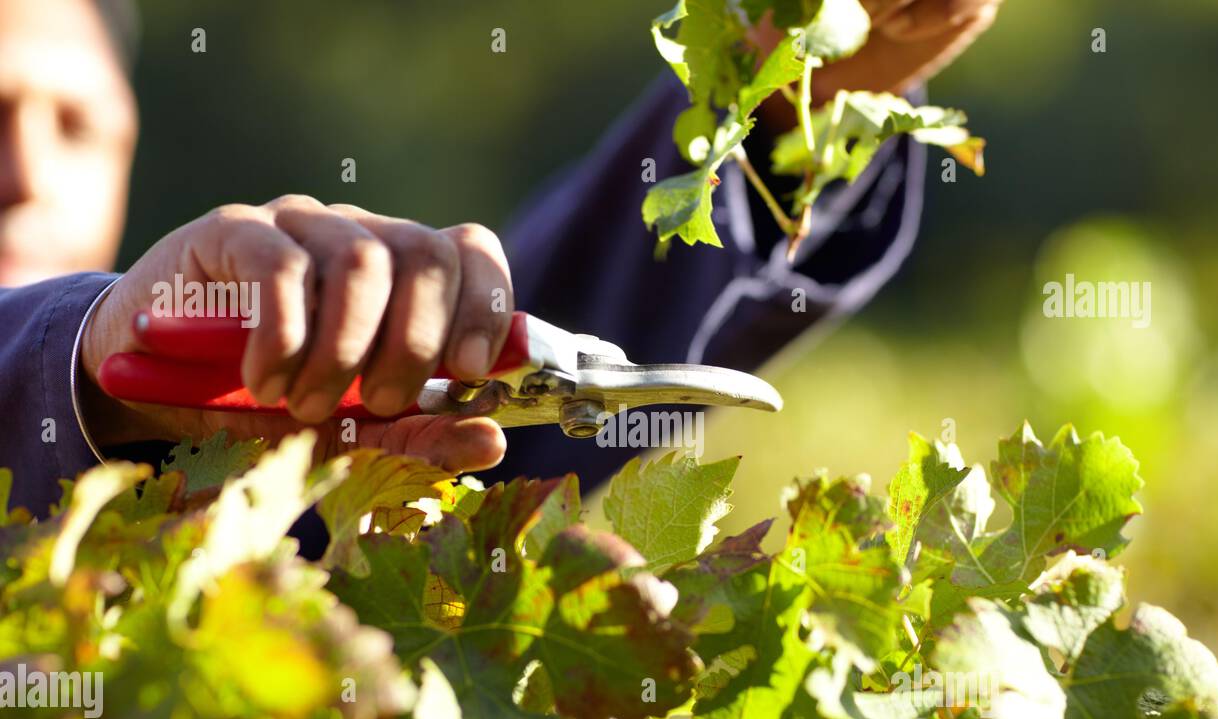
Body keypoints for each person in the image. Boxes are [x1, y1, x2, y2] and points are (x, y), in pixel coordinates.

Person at [0, 0, 1001, 517]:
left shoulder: (266, 478)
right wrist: (80, 359)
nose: (30, 174)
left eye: (80, 125)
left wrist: (782, 103)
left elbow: (519, 380)